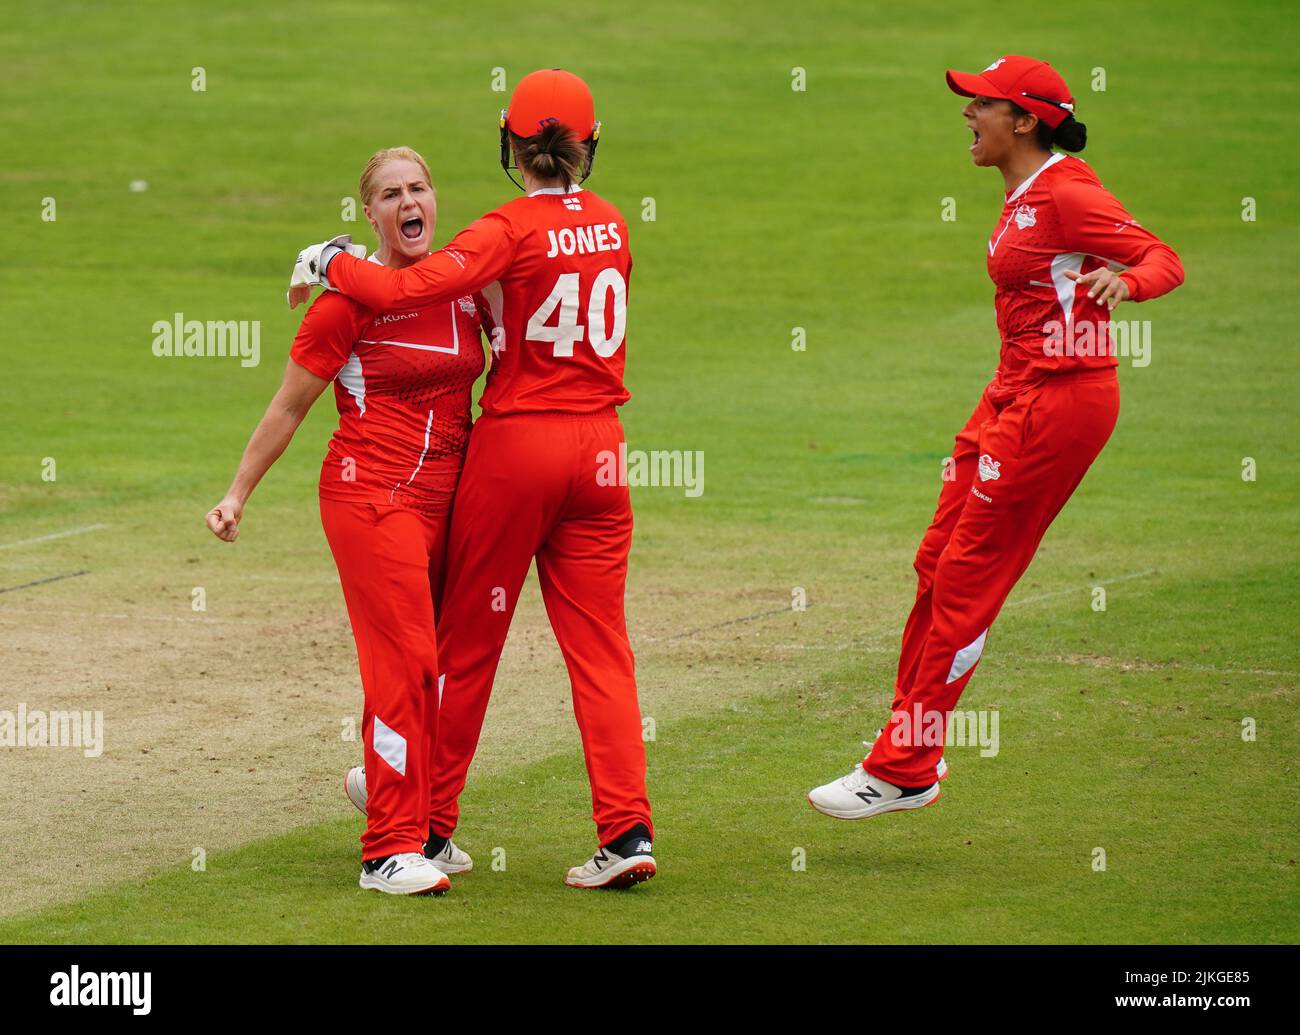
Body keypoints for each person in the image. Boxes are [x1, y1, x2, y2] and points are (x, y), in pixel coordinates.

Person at [290, 70, 656, 888]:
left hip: (521, 446)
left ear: (510, 144)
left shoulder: (506, 227)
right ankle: (627, 832)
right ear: (588, 145)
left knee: (464, 643)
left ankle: (422, 820)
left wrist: (328, 259)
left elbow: (403, 286)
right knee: (603, 647)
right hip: (604, 453)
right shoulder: (612, 223)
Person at [809, 55, 1185, 819]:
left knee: (967, 581)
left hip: (1061, 401)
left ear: (1023, 119)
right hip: (1011, 393)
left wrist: (1129, 281)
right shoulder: (1021, 195)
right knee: (934, 561)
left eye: (979, 103)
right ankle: (911, 749)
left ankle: (904, 765)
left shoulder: (1069, 191)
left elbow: (1161, 257)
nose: (965, 115)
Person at [208, 146, 486, 894]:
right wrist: (238, 492)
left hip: (444, 504)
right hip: (371, 498)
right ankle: (387, 848)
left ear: (435, 196)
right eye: (391, 194)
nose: (408, 202)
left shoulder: (461, 289)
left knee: (434, 666)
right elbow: (289, 404)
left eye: (418, 187)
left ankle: (401, 794)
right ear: (369, 215)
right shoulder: (346, 303)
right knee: (404, 662)